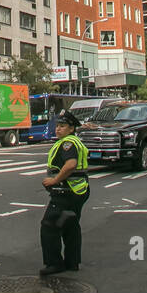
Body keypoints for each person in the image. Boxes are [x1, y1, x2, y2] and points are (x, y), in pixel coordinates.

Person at [39, 111, 89, 276]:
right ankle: (72, 262)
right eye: (57, 126)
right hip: (78, 189)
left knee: (49, 225)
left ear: (71, 128)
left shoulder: (68, 143)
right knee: (70, 225)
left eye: (62, 126)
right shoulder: (75, 141)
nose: (58, 129)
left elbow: (71, 164)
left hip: (66, 191)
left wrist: (54, 180)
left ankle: (54, 263)